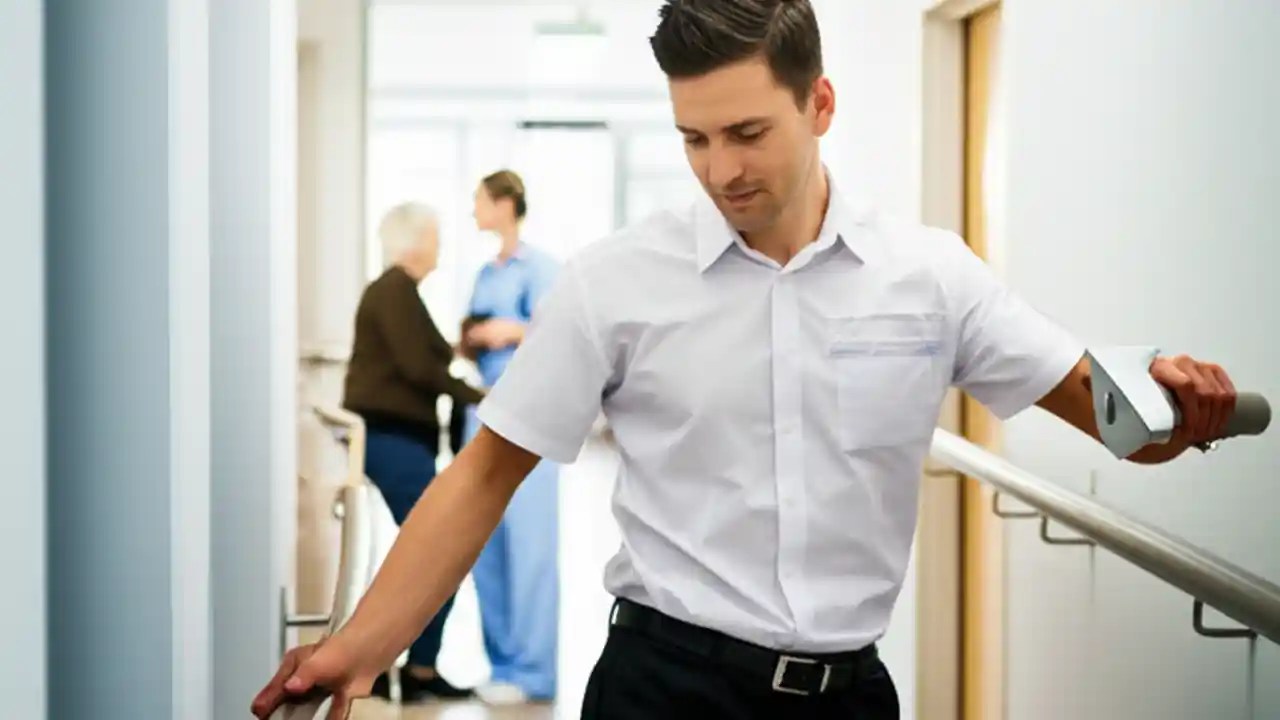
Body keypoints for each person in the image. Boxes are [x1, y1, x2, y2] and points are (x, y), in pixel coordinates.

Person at [253, 2, 1243, 719]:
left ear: (818, 104)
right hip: (657, 685)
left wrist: (1181, 409)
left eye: (745, 133)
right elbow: (482, 474)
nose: (719, 168)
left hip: (844, 695)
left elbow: (1114, 424)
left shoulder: (929, 276)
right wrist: (359, 648)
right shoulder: (614, 282)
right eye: (692, 137)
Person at [340, 202, 484, 703]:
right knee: (440, 547)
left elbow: (426, 358)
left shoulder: (400, 293)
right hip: (391, 439)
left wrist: (461, 352)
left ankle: (418, 667)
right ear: (415, 241)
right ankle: (398, 666)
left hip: (402, 440)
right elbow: (418, 370)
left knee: (435, 549)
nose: (440, 245)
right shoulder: (394, 291)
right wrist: (482, 396)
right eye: (435, 234)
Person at [459, 169, 562, 705]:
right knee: (485, 547)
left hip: (530, 416)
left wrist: (510, 331)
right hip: (483, 411)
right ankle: (501, 663)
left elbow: (563, 330)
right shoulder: (482, 273)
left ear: (504, 204)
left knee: (529, 547)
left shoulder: (542, 268)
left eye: (479, 200)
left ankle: (534, 673)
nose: (473, 208)